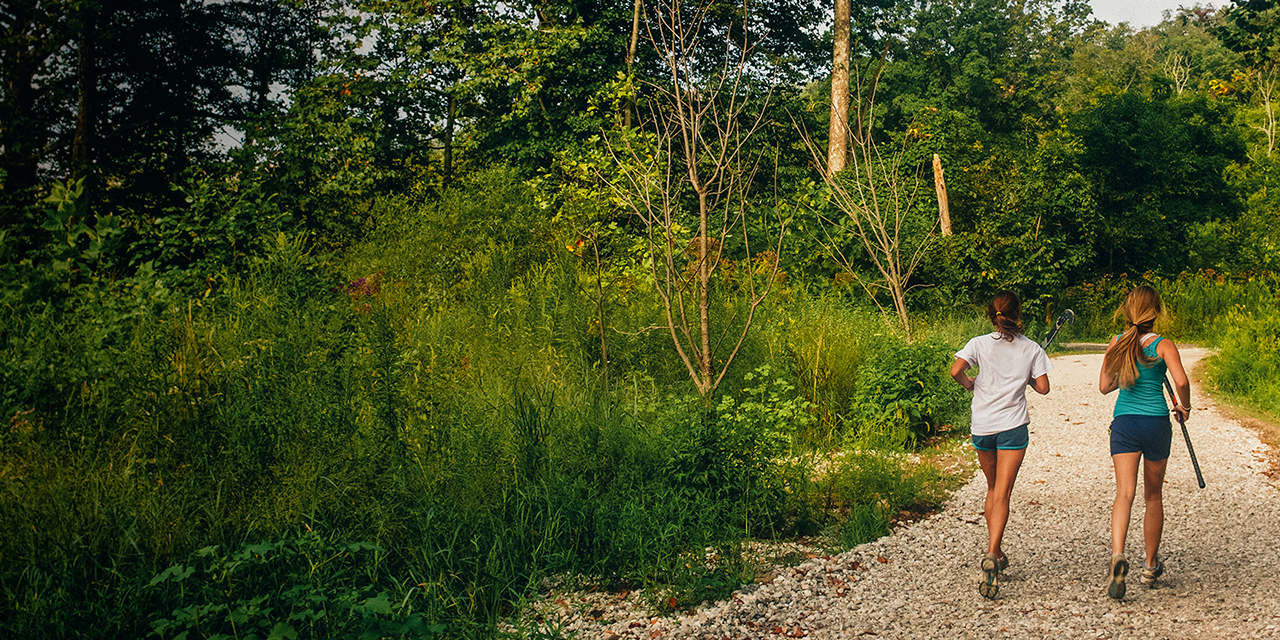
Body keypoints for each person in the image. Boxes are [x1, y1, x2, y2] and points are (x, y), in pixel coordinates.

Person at [951, 291, 1052, 599]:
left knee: (992, 488)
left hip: (982, 426)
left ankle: (995, 549)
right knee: (1003, 493)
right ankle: (993, 553)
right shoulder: (1032, 349)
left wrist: (971, 384)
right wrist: (1029, 379)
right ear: (1017, 313)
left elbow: (957, 371)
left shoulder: (978, 343)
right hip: (1012, 427)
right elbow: (1044, 388)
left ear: (990, 314)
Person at [1098, 285, 1191, 600]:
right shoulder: (1164, 345)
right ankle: (1150, 565)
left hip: (1124, 422)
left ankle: (1117, 555)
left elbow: (1104, 386)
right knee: (1153, 496)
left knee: (1124, 493)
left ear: (1128, 311)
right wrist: (1184, 406)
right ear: (1157, 312)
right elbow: (1180, 381)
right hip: (1155, 424)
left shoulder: (1117, 343)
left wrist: (1124, 373)